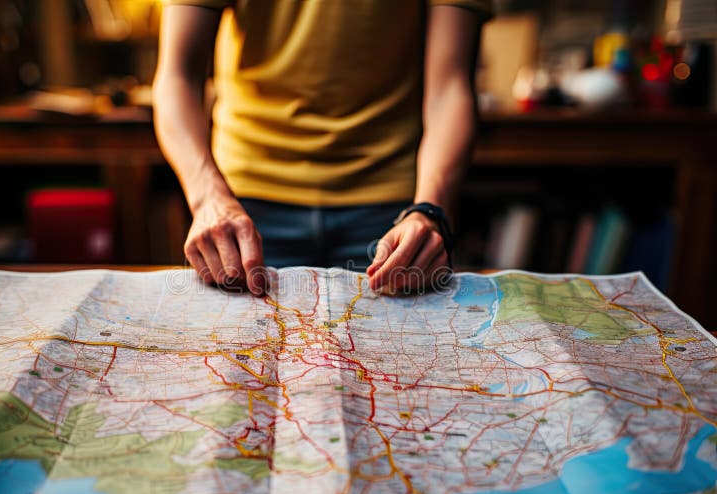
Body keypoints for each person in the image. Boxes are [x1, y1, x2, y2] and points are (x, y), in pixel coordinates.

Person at [153, 0, 492, 296]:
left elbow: (450, 85)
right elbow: (177, 76)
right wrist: (207, 198)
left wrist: (429, 210)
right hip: (241, 209)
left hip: (394, 210)